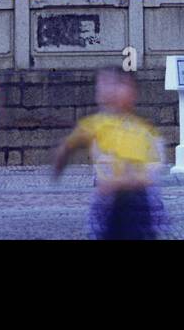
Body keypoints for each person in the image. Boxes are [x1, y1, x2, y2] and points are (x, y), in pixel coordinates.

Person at [54, 68, 167, 240]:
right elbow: (69, 144)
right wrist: (61, 160)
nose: (109, 90)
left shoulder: (143, 130)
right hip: (107, 203)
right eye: (103, 84)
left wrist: (122, 181)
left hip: (137, 204)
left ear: (133, 92)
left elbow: (150, 174)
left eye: (117, 84)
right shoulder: (94, 124)